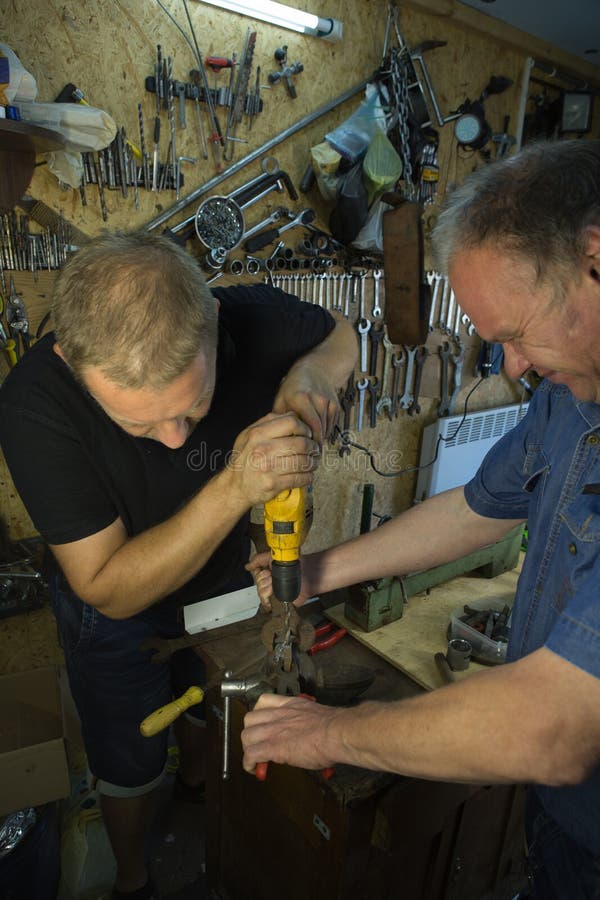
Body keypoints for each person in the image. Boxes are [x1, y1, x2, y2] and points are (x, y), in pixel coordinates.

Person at [243, 139, 600, 899]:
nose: (510, 367)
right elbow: (479, 509)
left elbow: (554, 730)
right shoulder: (569, 397)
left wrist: (329, 732)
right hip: (563, 823)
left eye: (513, 334)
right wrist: (316, 572)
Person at [0, 230, 357, 900]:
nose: (176, 438)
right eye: (142, 426)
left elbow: (340, 331)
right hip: (115, 612)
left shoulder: (247, 316)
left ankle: (198, 790)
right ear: (70, 363)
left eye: (193, 407)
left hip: (219, 580)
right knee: (130, 755)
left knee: (208, 707)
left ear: (214, 323)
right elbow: (106, 586)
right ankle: (134, 879)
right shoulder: (32, 405)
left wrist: (310, 375)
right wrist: (232, 486)